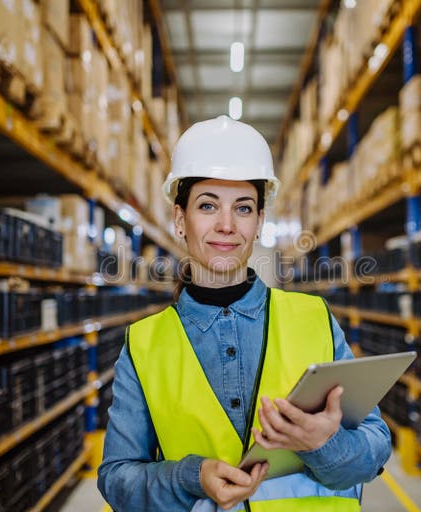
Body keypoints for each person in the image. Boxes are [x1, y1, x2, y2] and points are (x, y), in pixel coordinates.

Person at [97, 115, 392, 511]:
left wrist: (325, 444)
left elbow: (375, 447)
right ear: (180, 220)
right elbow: (116, 479)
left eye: (243, 208)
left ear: (259, 222)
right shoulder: (143, 345)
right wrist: (191, 477)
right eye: (207, 205)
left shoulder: (314, 318)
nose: (226, 225)